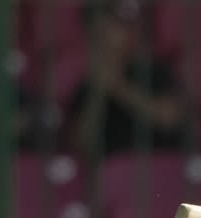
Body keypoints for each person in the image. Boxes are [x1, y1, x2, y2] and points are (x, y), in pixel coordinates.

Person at [64, 0, 190, 158]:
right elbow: (83, 145)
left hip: (162, 168)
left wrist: (119, 88)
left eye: (114, 28)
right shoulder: (87, 85)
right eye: (98, 32)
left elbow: (169, 117)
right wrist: (98, 93)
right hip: (115, 176)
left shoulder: (155, 70)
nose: (106, 39)